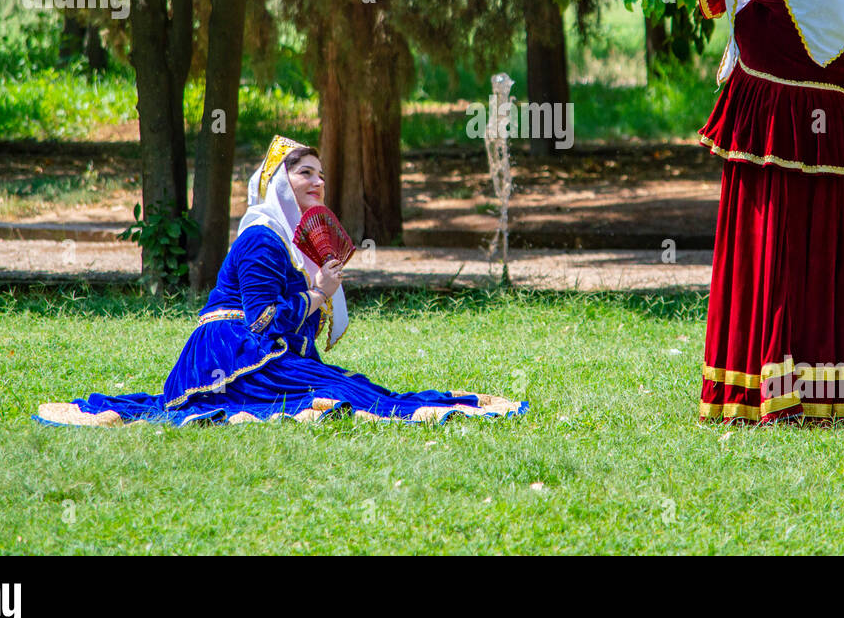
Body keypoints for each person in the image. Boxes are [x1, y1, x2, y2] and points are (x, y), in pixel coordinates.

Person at [35, 135, 528, 427]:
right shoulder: (260, 238)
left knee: (341, 384)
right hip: (226, 351)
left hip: (253, 348)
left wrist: (317, 286)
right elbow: (264, 319)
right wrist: (316, 294)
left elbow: (286, 324)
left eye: (321, 175)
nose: (318, 183)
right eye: (306, 174)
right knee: (337, 390)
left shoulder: (290, 245)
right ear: (278, 184)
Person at [642, 0, 844, 424]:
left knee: (771, 246)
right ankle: (828, 389)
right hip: (821, 123)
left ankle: (769, 385)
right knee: (819, 252)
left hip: (780, 122)